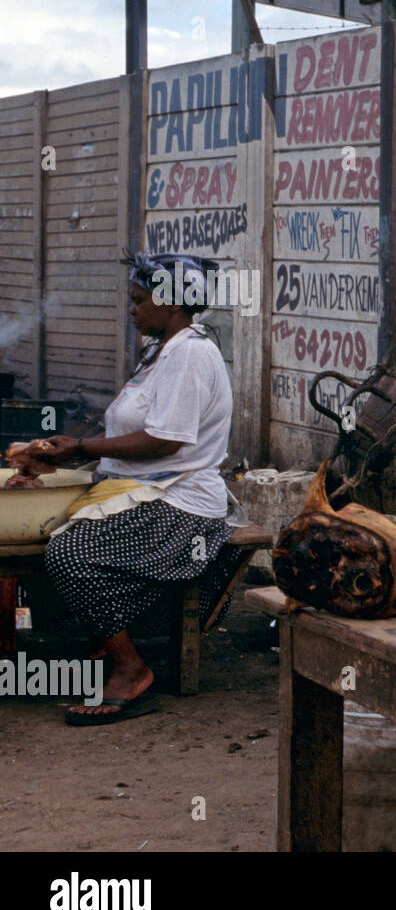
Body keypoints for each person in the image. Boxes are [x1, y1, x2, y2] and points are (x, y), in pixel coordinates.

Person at [35, 252, 246, 726]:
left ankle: (131, 669)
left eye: (139, 300)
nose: (131, 309)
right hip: (145, 489)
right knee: (49, 538)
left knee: (70, 556)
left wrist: (82, 448)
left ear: (171, 304)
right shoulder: (162, 350)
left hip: (183, 503)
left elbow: (165, 439)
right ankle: (101, 648)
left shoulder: (191, 353)